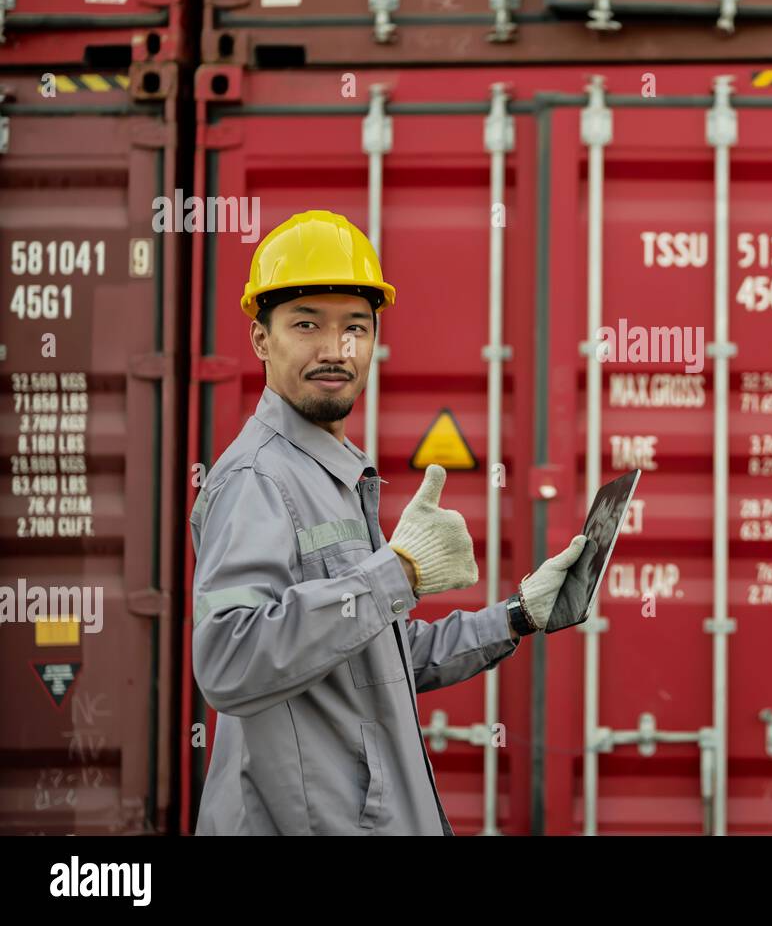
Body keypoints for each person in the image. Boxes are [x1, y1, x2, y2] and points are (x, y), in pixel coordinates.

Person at [190, 209, 585, 835]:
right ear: (261, 340)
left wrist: (515, 616)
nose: (333, 349)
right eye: (305, 325)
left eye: (354, 327)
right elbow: (228, 661)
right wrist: (396, 572)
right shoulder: (256, 481)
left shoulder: (332, 473)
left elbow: (372, 656)